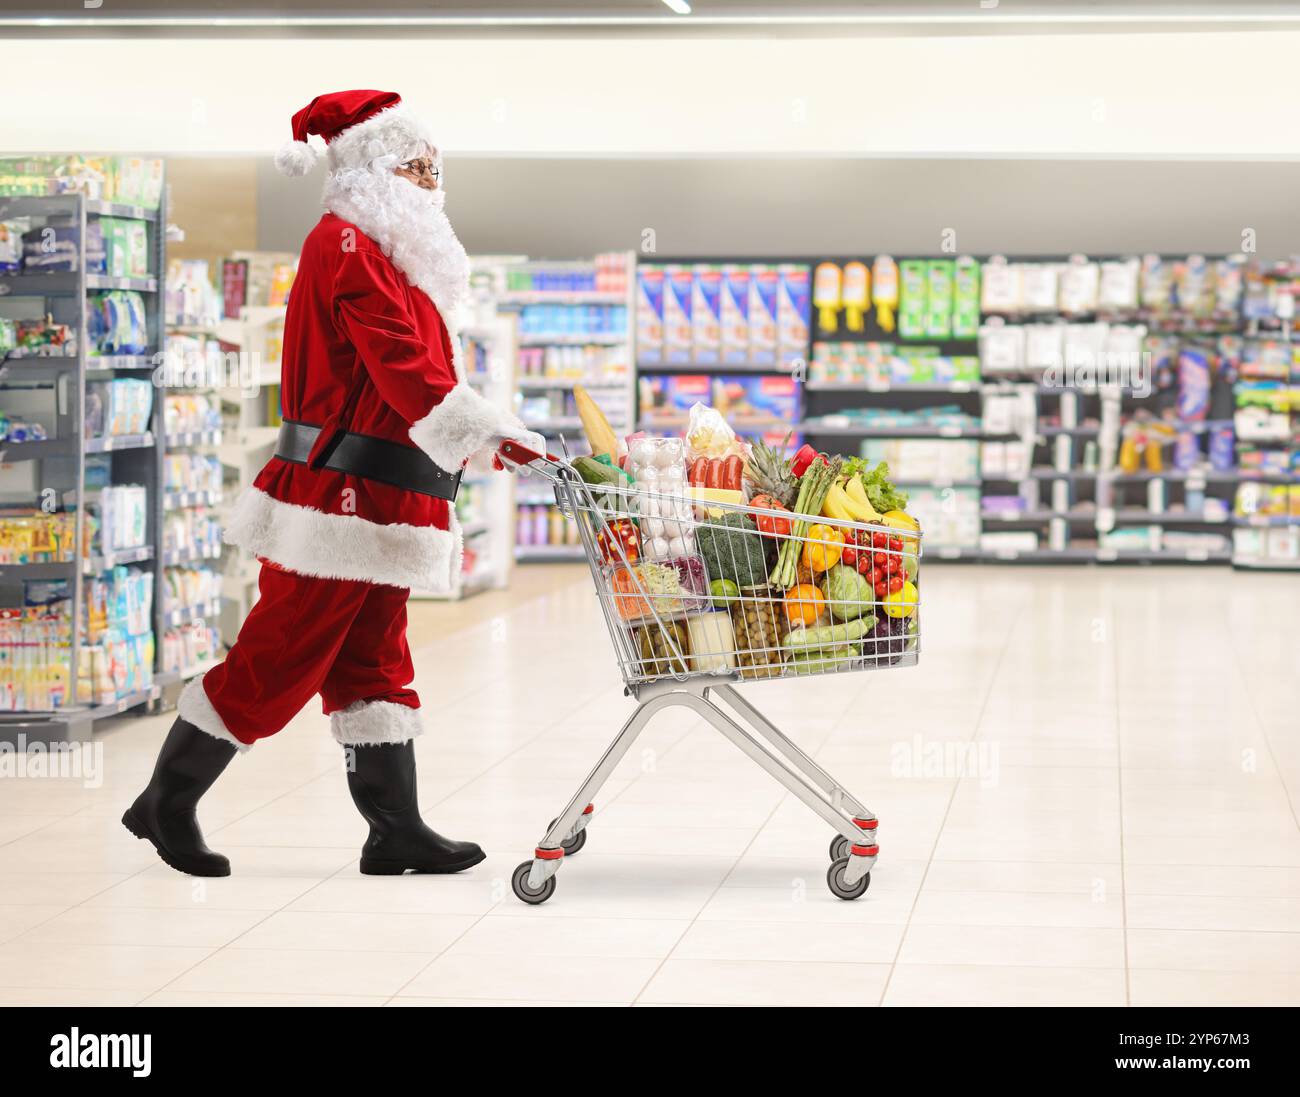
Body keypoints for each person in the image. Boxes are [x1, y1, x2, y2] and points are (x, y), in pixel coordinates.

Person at [123, 89, 544, 878]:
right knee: (283, 649)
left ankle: (395, 828)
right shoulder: (346, 245)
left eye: (433, 167)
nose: (428, 181)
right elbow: (399, 365)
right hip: (339, 493)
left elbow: (418, 370)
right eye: (411, 165)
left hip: (390, 496)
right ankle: (166, 800)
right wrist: (492, 436)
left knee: (374, 660)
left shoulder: (396, 255)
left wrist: (488, 434)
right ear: (370, 171)